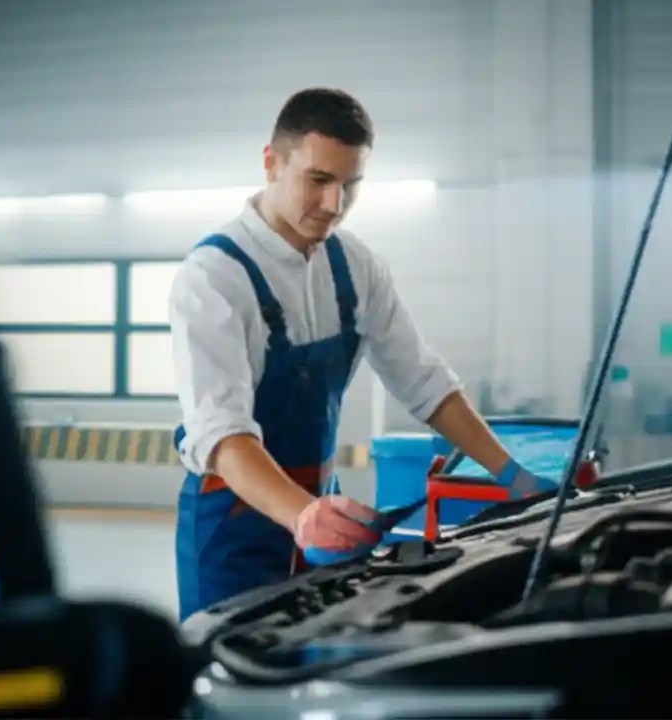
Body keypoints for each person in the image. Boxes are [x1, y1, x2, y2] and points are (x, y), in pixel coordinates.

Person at [169, 87, 550, 622]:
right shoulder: (214, 277)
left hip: (325, 516)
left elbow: (425, 383)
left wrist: (515, 478)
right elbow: (223, 436)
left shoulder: (353, 265)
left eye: (352, 186)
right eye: (319, 180)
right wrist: (303, 516)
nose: (335, 206)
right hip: (235, 528)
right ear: (271, 163)